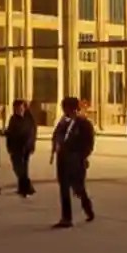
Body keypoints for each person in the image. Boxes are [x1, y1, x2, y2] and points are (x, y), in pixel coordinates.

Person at [51, 96, 96, 228]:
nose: (66, 112)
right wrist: (56, 144)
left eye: (68, 109)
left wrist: (81, 156)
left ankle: (87, 208)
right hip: (63, 160)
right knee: (64, 189)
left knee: (79, 188)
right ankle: (66, 218)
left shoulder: (84, 124)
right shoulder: (63, 122)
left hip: (76, 161)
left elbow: (89, 143)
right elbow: (56, 135)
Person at [5, 100, 38, 197]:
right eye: (16, 108)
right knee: (17, 168)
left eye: (20, 108)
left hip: (25, 147)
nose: (18, 110)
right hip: (15, 147)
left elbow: (32, 134)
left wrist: (31, 145)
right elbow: (10, 133)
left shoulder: (29, 119)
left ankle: (24, 188)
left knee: (23, 168)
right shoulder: (13, 119)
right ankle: (26, 187)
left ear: (24, 108)